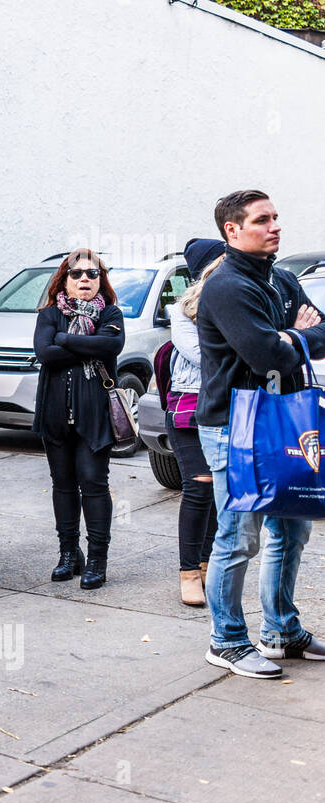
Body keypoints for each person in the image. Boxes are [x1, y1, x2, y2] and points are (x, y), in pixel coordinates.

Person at [196, 189, 325, 678]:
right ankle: (226, 640)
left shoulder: (283, 278)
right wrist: (293, 335)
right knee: (238, 536)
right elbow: (266, 355)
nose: (275, 226)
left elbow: (321, 332)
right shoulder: (228, 286)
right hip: (235, 426)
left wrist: (290, 335)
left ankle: (281, 631)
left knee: (292, 531)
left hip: (284, 419)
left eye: (276, 218)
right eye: (262, 220)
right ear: (232, 230)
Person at [32, 248, 125, 590]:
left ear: (101, 280)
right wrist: (88, 344)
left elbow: (110, 347)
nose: (84, 278)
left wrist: (65, 340)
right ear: (64, 279)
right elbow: (44, 352)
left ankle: (97, 559)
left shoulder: (111, 312)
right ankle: (69, 553)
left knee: (94, 484)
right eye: (77, 273)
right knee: (63, 485)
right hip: (55, 415)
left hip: (94, 416)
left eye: (92, 273)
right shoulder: (49, 314)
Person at [168, 238, 224, 607]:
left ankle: (206, 566)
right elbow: (205, 357)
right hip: (189, 408)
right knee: (199, 485)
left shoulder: (240, 303)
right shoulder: (182, 312)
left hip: (226, 407)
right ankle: (188, 572)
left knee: (219, 491)